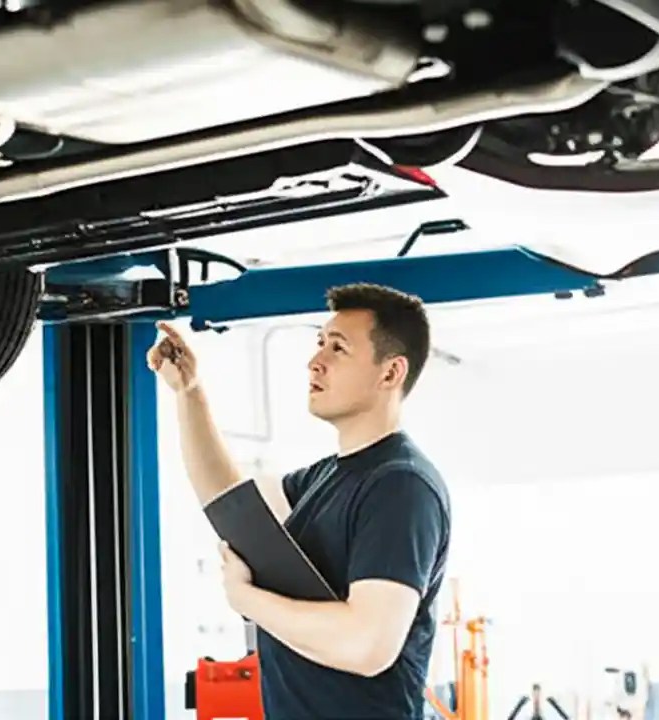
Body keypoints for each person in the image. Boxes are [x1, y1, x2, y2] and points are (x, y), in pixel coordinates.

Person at [149, 282, 452, 720]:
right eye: (319, 343)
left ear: (390, 373)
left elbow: (367, 646)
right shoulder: (325, 477)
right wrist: (188, 393)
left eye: (338, 348)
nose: (316, 361)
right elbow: (228, 500)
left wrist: (245, 599)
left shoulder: (401, 486)